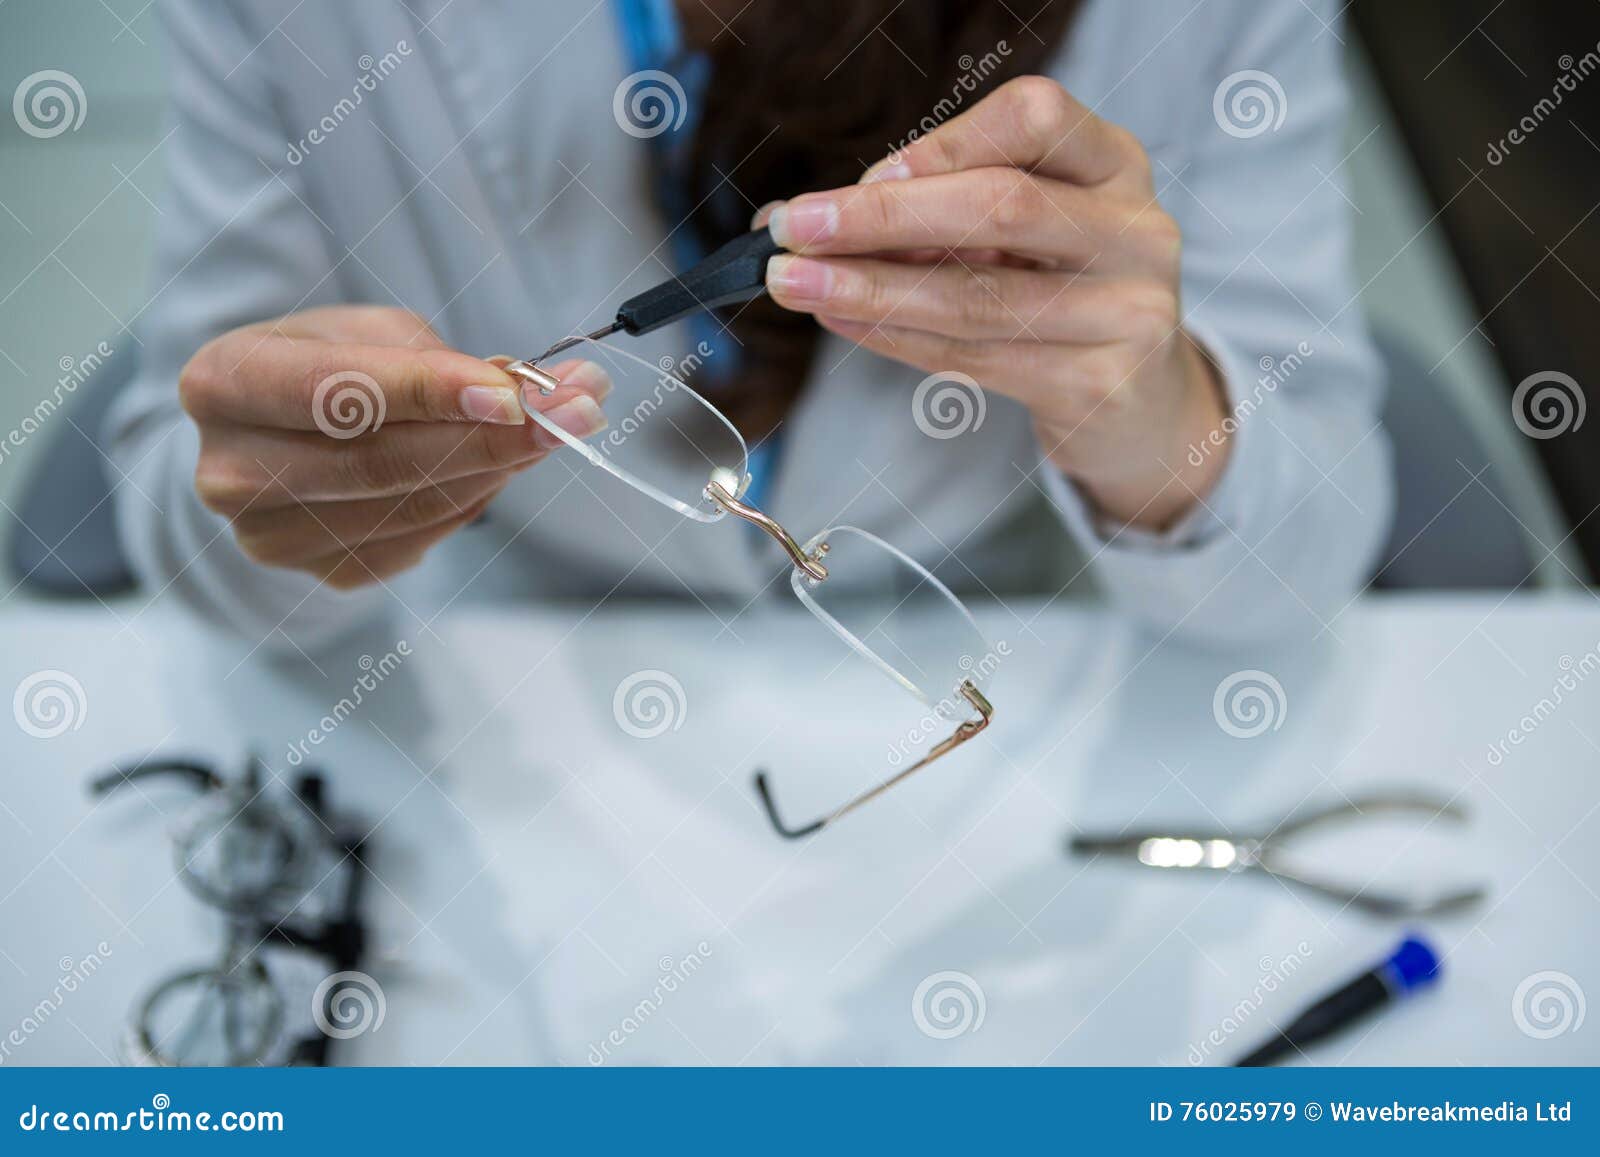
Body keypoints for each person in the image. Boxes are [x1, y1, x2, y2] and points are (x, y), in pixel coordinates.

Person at [107, 0, 1390, 649]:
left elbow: (1301, 539)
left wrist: (1151, 416)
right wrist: (286, 512)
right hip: (514, 646)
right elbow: (200, 479)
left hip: (989, 623)